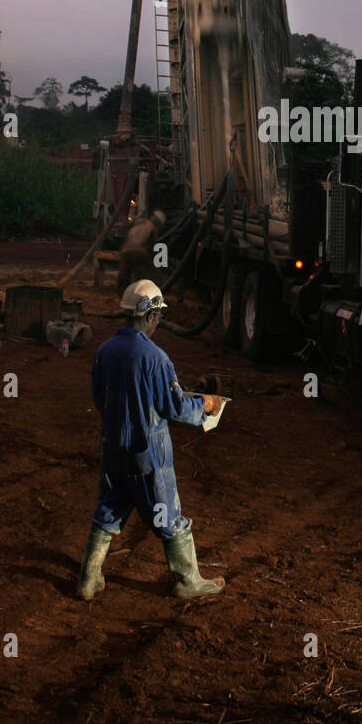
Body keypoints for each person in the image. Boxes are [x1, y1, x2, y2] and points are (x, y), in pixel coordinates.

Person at [77, 279, 225, 602]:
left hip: (112, 450)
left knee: (110, 508)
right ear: (150, 316)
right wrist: (206, 404)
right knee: (168, 515)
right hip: (147, 456)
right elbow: (173, 407)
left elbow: (100, 398)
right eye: (157, 316)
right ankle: (188, 581)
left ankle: (88, 579)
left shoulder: (104, 351)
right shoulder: (155, 357)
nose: (158, 322)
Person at [116, 210, 167, 297]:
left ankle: (121, 294)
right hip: (139, 253)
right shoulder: (154, 229)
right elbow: (153, 245)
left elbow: (128, 232)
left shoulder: (139, 222)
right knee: (141, 274)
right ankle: (140, 294)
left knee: (124, 274)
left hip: (125, 251)